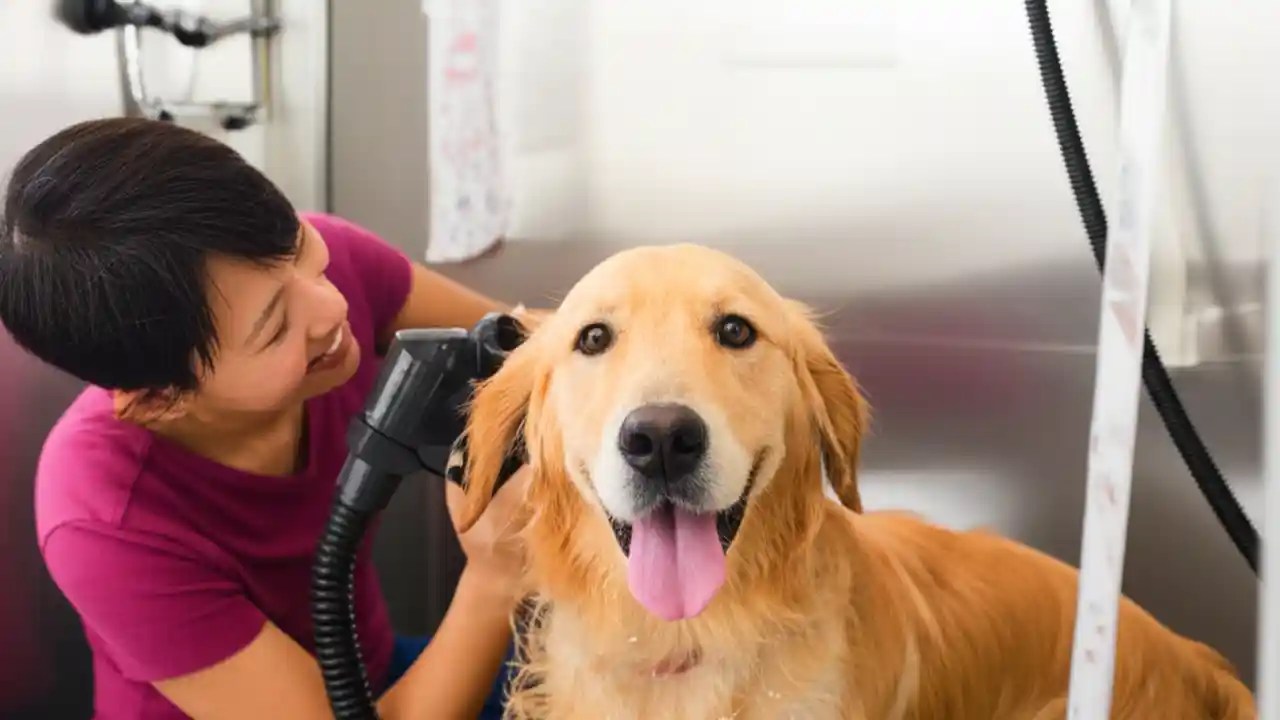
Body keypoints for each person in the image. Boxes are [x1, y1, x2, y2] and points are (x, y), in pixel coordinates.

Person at [0, 117, 533, 719]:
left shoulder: (309, 281)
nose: (333, 307)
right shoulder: (100, 518)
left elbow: (533, 346)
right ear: (158, 400)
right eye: (275, 328)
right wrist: (495, 576)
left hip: (380, 672)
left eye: (304, 252)